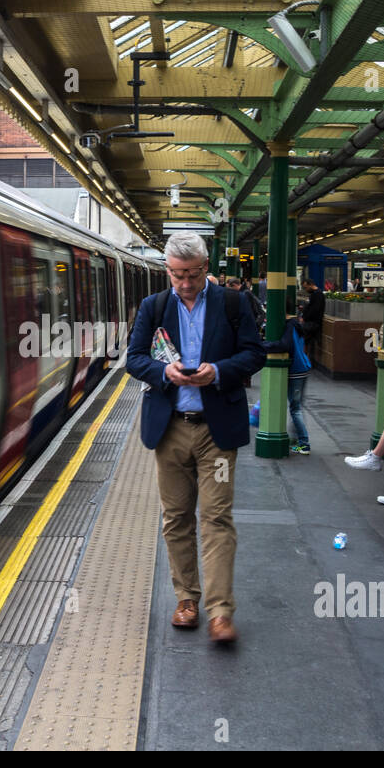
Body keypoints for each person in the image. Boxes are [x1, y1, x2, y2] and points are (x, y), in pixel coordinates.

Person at [125, 234, 266, 643]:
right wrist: (161, 372)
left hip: (215, 431)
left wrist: (218, 372)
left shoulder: (233, 303)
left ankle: (220, 611)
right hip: (170, 429)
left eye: (192, 274)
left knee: (217, 518)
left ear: (206, 267)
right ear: (167, 269)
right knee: (176, 518)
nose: (184, 283)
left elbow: (255, 353)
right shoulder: (154, 307)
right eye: (176, 274)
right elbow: (134, 358)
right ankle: (186, 599)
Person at [261, 315, 313, 455]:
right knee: (297, 407)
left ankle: (304, 443)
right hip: (302, 368)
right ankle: (296, 440)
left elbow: (284, 345)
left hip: (296, 370)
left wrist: (263, 345)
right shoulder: (296, 324)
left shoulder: (289, 325)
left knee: (295, 409)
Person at [299, 277, 324, 356]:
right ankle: (305, 359)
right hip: (311, 322)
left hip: (313, 322)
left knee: (303, 339)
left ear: (311, 285)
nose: (305, 290)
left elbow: (314, 309)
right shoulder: (314, 294)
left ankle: (303, 359)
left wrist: (304, 318)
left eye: (306, 287)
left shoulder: (318, 294)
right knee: (307, 341)